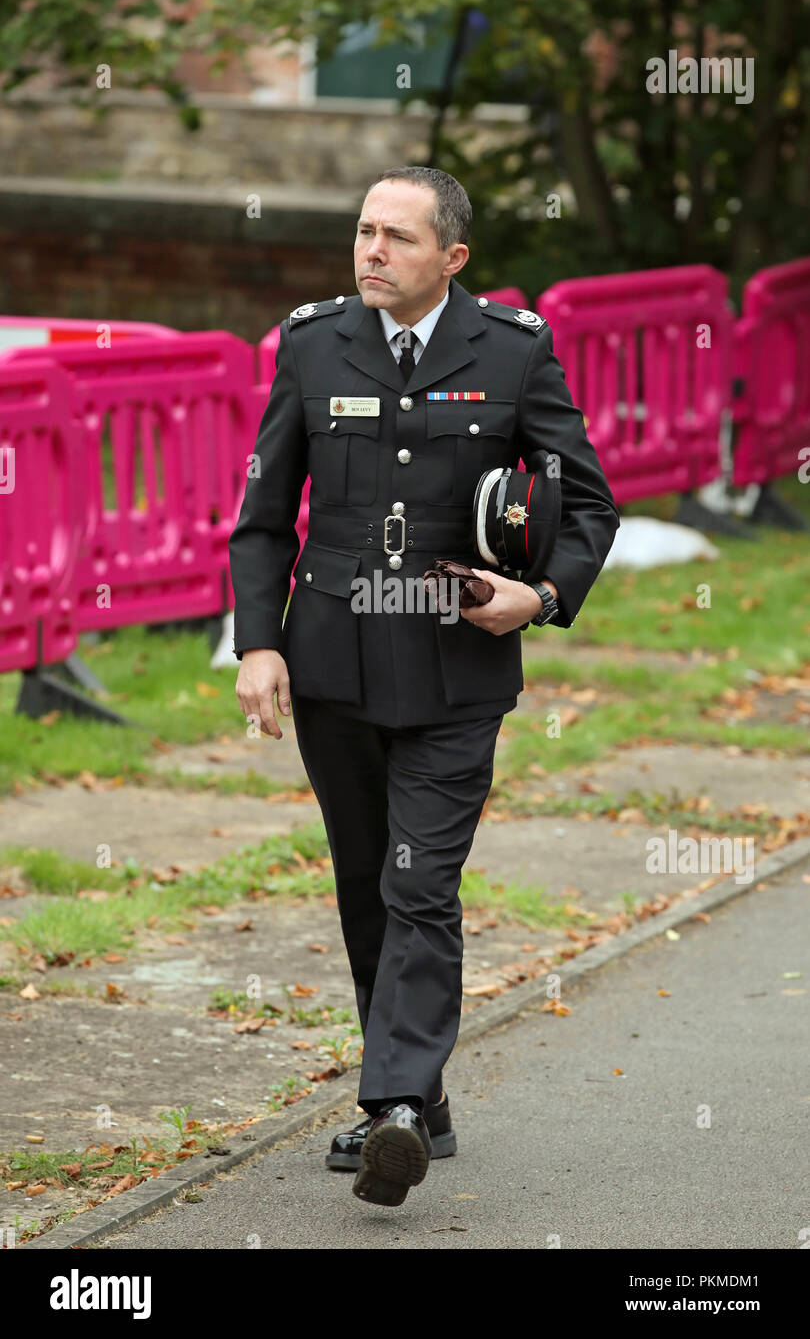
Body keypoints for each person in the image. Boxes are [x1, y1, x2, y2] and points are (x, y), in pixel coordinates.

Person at [228, 166, 620, 1208]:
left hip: (457, 667)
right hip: (333, 664)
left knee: (418, 884)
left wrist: (537, 596)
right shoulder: (312, 342)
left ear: (451, 257)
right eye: (363, 232)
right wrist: (255, 646)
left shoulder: (514, 350)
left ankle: (393, 1106)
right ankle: (424, 1101)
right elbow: (265, 515)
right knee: (366, 881)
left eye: (396, 238)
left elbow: (590, 507)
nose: (371, 252)